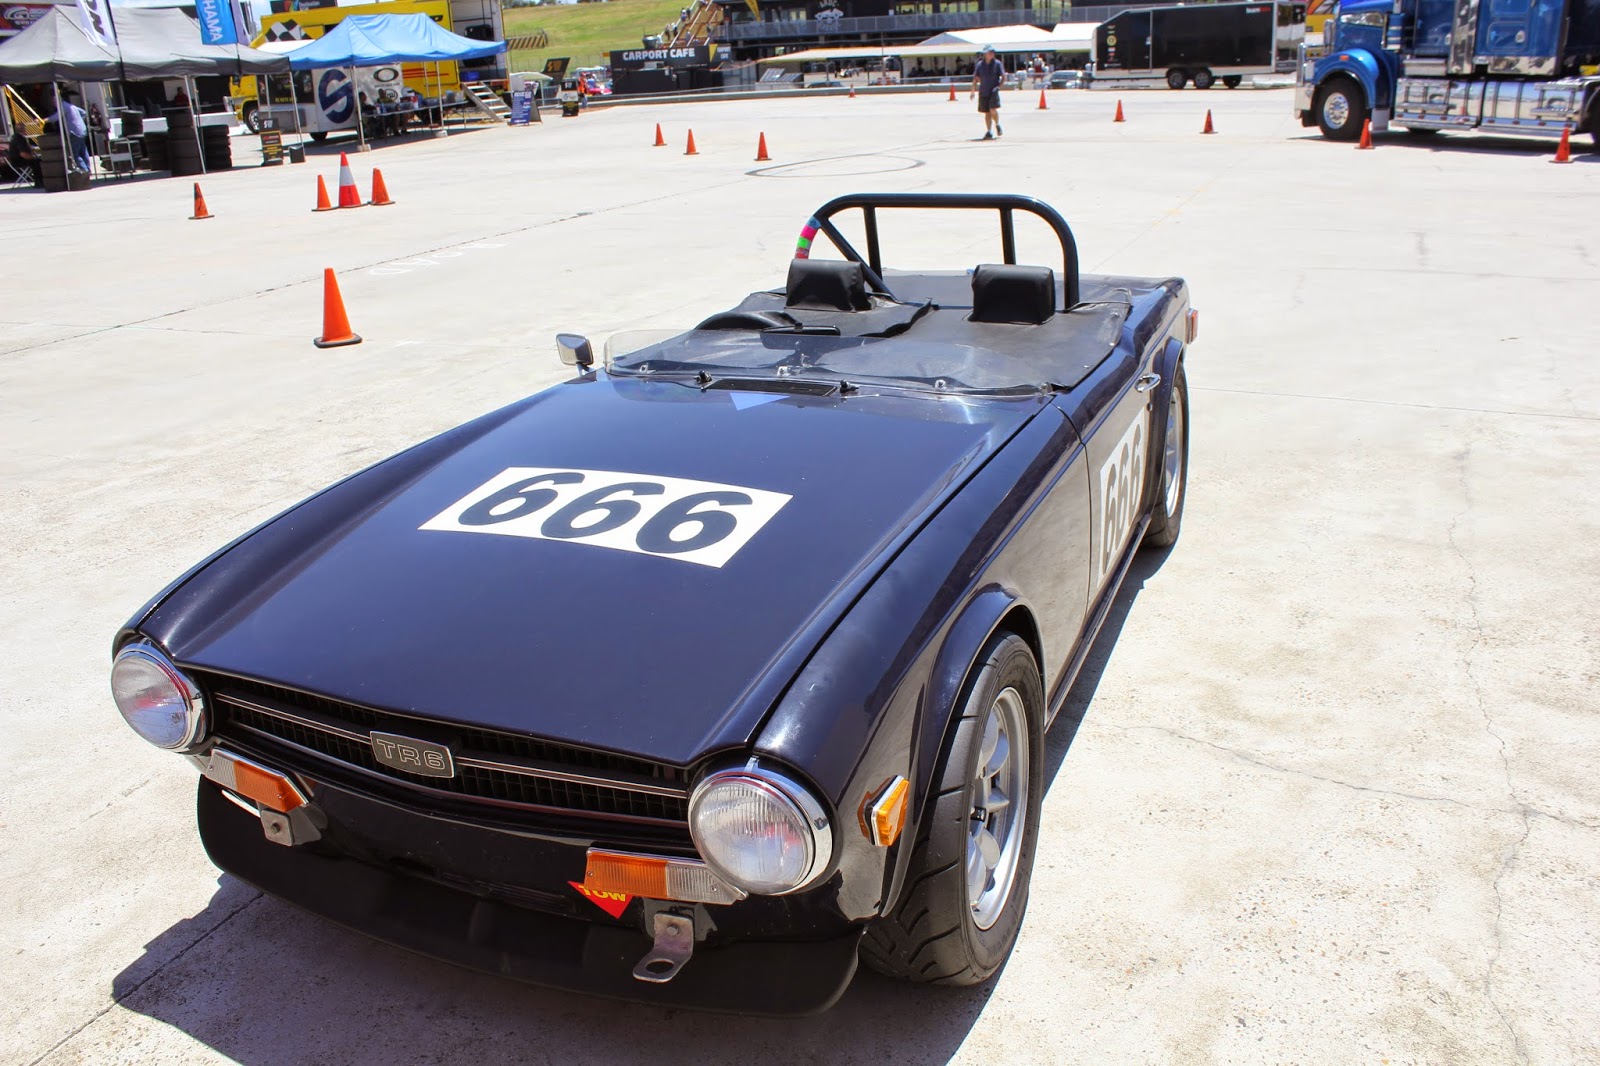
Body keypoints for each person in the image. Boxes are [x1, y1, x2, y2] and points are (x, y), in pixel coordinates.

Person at [49, 88, 91, 172]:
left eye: (54, 102)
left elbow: (56, 117)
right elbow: (84, 113)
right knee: (83, 151)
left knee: (75, 153)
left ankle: (84, 170)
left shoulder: (63, 107)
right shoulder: (70, 106)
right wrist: (79, 121)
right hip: (82, 130)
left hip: (74, 131)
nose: (53, 105)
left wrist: (44, 120)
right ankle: (88, 169)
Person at [970, 45, 1004, 140]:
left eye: (992, 52)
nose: (991, 54)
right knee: (987, 112)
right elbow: (976, 78)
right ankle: (989, 131)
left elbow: (1003, 76)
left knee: (992, 109)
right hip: (983, 91)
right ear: (985, 54)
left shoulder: (997, 64)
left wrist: (999, 86)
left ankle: (997, 124)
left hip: (993, 90)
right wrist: (973, 90)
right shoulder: (980, 65)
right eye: (989, 52)